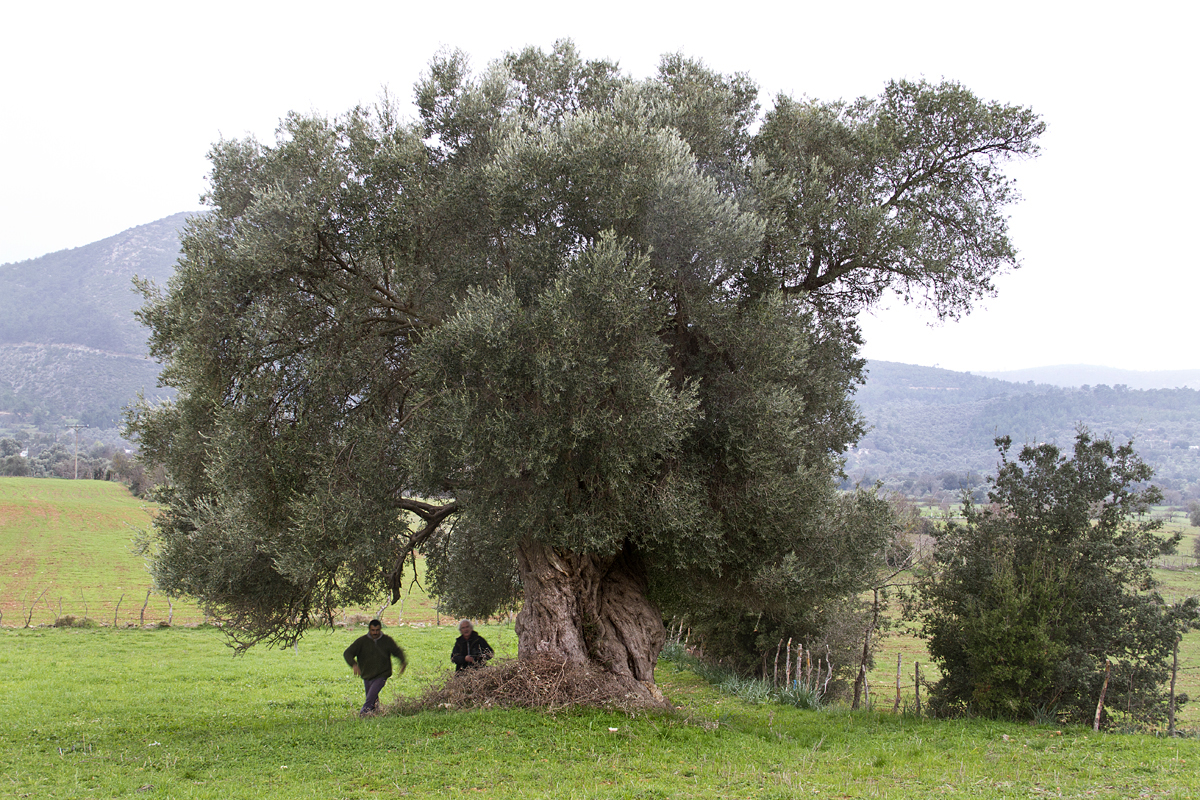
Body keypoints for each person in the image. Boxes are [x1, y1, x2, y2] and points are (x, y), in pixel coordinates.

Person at [343, 619, 406, 716]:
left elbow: (397, 651)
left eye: (377, 630)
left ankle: (363, 714)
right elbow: (348, 653)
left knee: (370, 699)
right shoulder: (362, 641)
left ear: (380, 629)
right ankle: (376, 713)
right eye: (373, 630)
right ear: (369, 629)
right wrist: (354, 664)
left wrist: (402, 662)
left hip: (382, 674)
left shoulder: (387, 640)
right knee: (372, 697)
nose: (375, 633)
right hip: (367, 675)